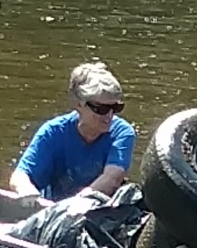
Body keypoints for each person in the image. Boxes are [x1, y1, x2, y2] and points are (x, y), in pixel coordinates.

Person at [11, 61, 135, 202]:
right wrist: (29, 194)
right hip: (53, 211)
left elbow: (112, 178)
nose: (109, 116)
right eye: (102, 109)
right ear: (78, 105)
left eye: (116, 108)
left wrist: (75, 204)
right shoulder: (53, 132)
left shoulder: (122, 133)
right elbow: (20, 176)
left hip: (100, 213)